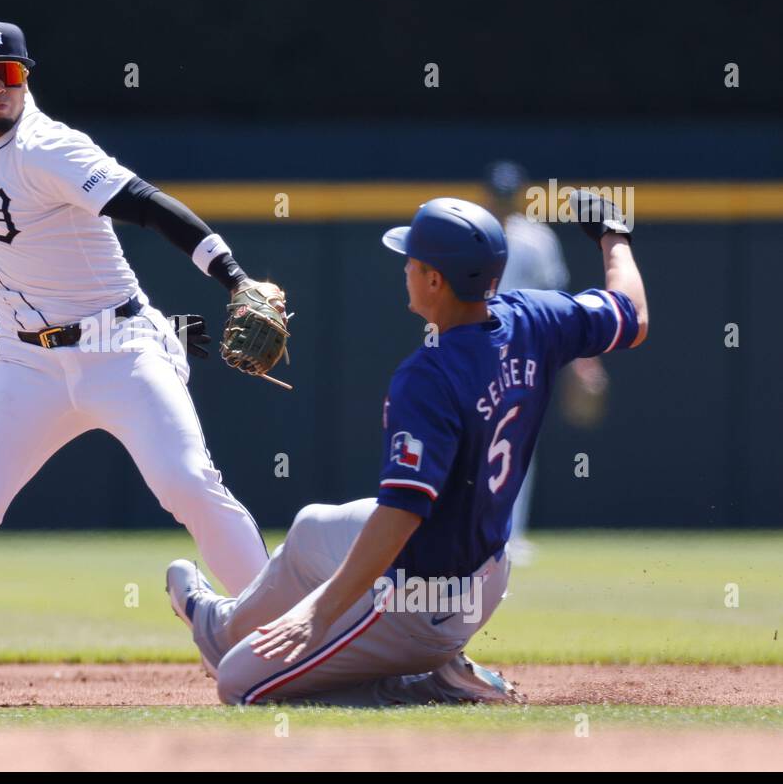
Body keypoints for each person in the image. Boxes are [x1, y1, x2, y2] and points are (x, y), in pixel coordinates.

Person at [0, 20, 287, 702]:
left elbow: (150, 207)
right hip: (24, 365)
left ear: (28, 80)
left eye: (12, 75)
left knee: (188, 481)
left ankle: (287, 637)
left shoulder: (49, 148)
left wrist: (235, 278)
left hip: (119, 347)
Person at [166, 192, 646, 705]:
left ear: (435, 280)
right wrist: (613, 234)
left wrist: (319, 611)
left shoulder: (429, 376)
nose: (406, 271)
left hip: (425, 598)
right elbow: (631, 314)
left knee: (241, 686)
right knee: (309, 530)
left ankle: (429, 680)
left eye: (412, 263)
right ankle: (219, 631)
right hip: (481, 565)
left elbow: (402, 514)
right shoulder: (535, 317)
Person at [485, 161, 609, 556]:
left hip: (525, 347)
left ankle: (509, 534)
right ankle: (474, 530)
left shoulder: (536, 239)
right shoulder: (472, 232)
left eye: (508, 193)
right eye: (498, 193)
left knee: (518, 437)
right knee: (470, 437)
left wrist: (581, 356)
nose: (503, 201)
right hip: (477, 343)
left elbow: (559, 299)